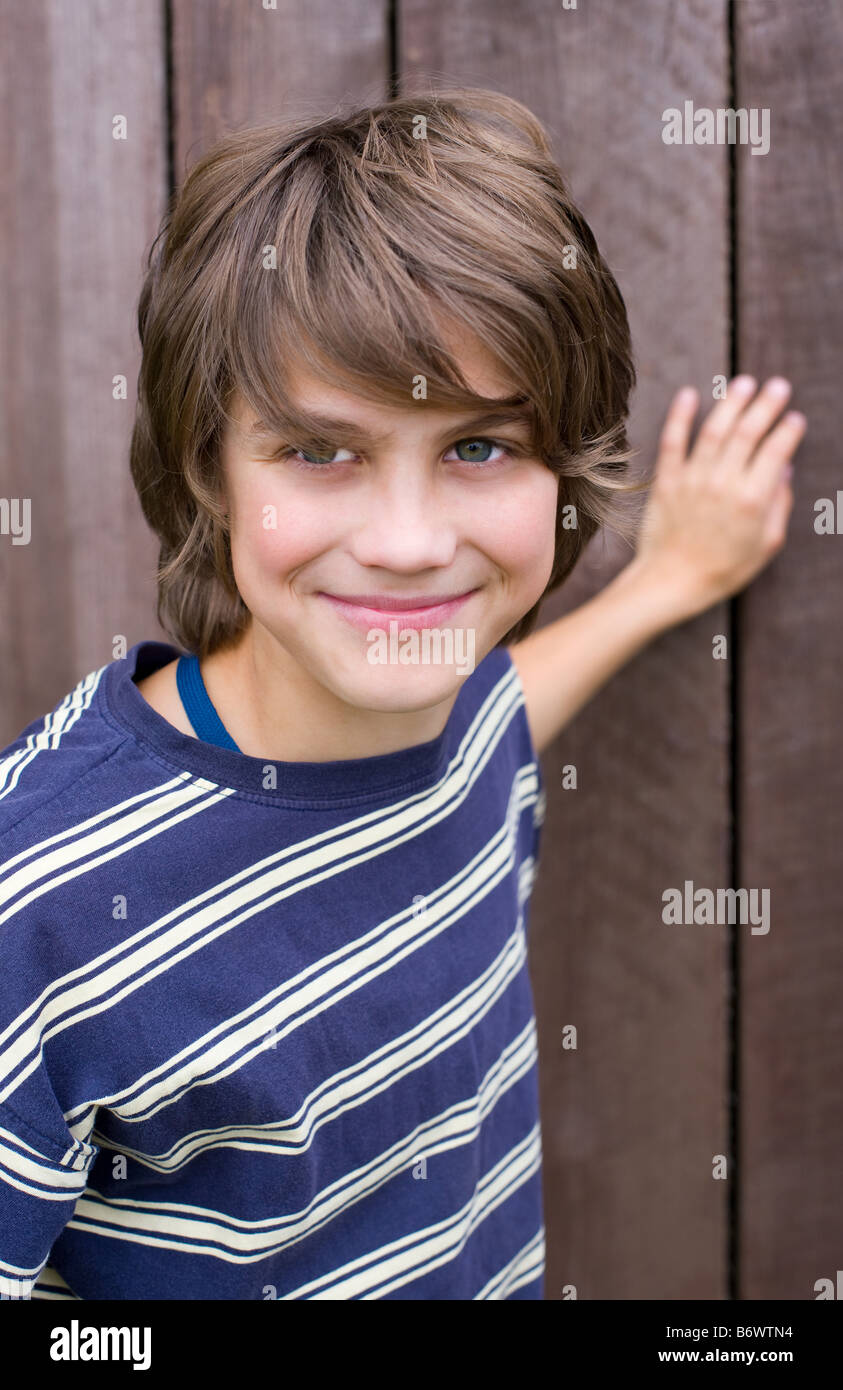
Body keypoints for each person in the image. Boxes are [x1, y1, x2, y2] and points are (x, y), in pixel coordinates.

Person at [0, 87, 804, 1301]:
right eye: (322, 451)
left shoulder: (464, 723)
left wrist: (671, 579)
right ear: (205, 471)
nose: (412, 542)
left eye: (480, 447)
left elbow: (512, 706)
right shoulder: (40, 902)